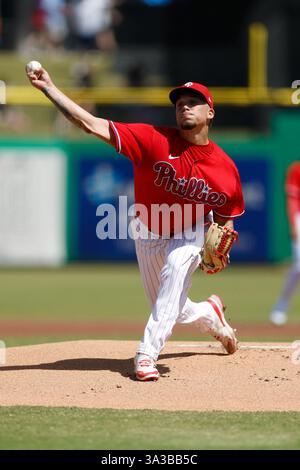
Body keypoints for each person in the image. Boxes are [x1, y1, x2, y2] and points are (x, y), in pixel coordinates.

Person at [26, 67, 245, 381]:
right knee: (173, 305)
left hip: (190, 229)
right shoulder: (151, 139)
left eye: (193, 101)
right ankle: (210, 313)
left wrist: (219, 241)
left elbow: (225, 219)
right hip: (147, 230)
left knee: (174, 272)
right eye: (179, 101)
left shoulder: (225, 169)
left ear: (210, 112)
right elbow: (89, 123)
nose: (184, 105)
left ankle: (146, 355)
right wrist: (49, 88)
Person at [270, 162, 300, 326]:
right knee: (299, 266)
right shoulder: (296, 169)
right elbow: (293, 200)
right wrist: (293, 224)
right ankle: (281, 304)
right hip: (299, 218)